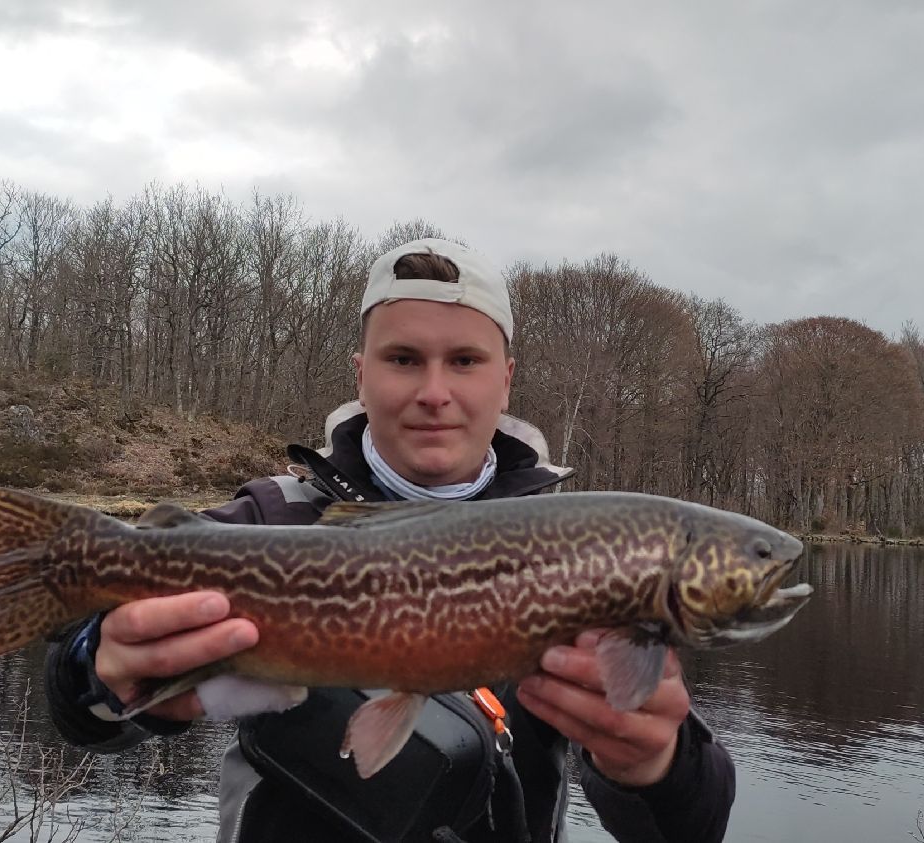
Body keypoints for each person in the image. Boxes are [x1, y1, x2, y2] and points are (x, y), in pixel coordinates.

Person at [45, 238, 736, 842]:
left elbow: (693, 826)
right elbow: (85, 707)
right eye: (404, 358)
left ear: (506, 378)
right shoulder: (270, 522)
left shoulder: (586, 549)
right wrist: (98, 668)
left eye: (465, 361)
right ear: (361, 372)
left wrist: (653, 764)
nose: (434, 391)